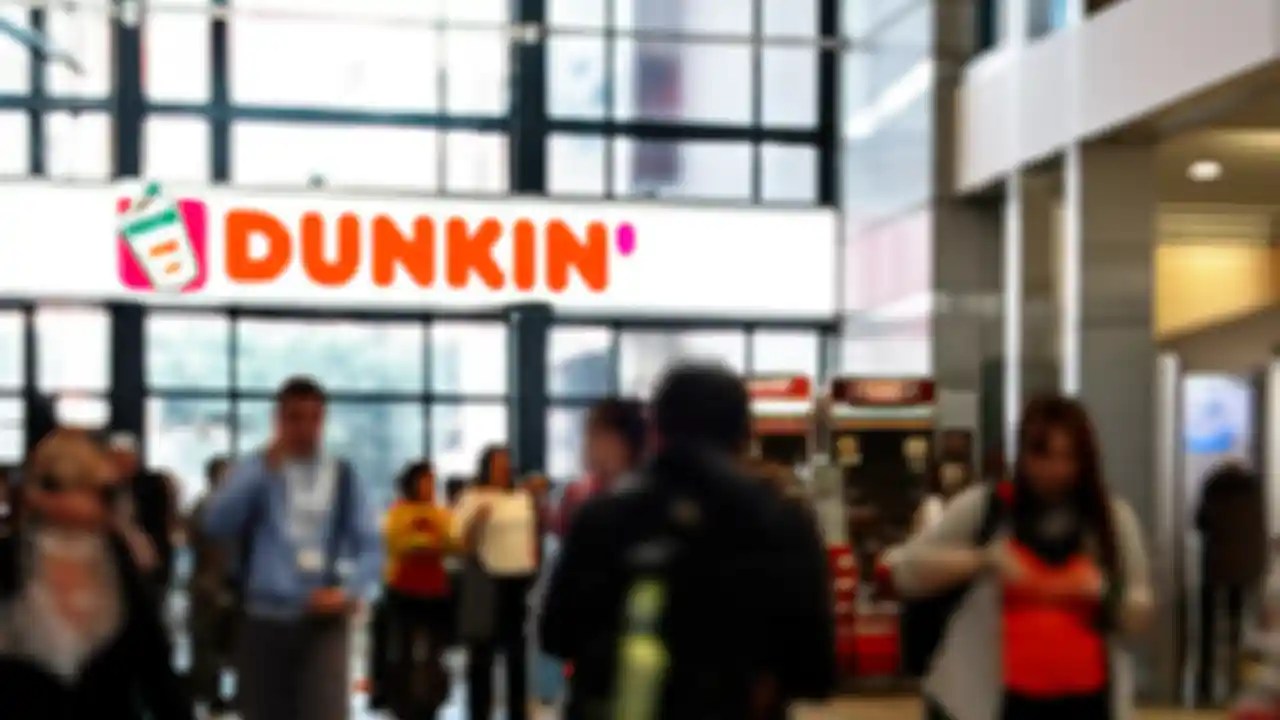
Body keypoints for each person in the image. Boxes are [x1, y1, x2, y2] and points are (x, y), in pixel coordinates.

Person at [539, 364, 836, 720]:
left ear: (656, 430)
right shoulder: (781, 521)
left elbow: (555, 634)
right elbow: (815, 671)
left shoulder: (602, 517)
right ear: (744, 433)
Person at [889, 395, 1153, 720]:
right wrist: (982, 560)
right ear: (1023, 454)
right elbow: (904, 569)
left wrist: (1103, 593)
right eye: (1042, 455)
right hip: (990, 701)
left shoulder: (1111, 519)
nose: (1055, 469)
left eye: (1068, 457)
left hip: (1087, 702)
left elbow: (1139, 609)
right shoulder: (985, 508)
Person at [203, 376, 381, 720]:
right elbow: (217, 523)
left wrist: (350, 591)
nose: (305, 429)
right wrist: (259, 471)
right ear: (278, 420)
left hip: (323, 619)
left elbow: (370, 545)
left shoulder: (342, 476)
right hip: (263, 616)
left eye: (314, 419)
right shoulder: (255, 470)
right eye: (295, 418)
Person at [0, 428, 192, 719]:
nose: (97, 502)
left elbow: (154, 663)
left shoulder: (118, 561)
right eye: (87, 489)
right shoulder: (9, 559)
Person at [453, 446, 542, 720]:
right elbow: (460, 544)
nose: (504, 468)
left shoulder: (520, 497)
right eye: (498, 463)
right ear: (486, 467)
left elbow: (531, 532)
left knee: (516, 655)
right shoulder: (472, 497)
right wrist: (478, 522)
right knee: (482, 654)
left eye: (507, 463)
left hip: (518, 580)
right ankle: (479, 712)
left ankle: (517, 711)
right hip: (486, 579)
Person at [381, 460, 456, 718]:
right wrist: (426, 542)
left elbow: (452, 541)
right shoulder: (398, 512)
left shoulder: (440, 512)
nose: (430, 487)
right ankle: (402, 703)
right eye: (425, 481)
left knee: (435, 651)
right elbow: (398, 542)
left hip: (435, 589)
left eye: (432, 482)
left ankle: (431, 701)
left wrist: (426, 542)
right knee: (403, 649)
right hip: (404, 588)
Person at [1196, 460, 1268, 704]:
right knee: (1238, 630)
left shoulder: (1214, 489)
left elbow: (1199, 521)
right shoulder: (1252, 493)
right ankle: (1235, 683)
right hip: (1245, 573)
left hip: (1214, 569)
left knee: (1208, 632)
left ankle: (1204, 686)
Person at [554, 399, 647, 536]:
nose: (588, 446)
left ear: (626, 446)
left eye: (598, 437)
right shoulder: (576, 495)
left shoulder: (644, 500)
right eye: (588, 436)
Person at [187, 455, 235, 716]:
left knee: (214, 643)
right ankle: (211, 694)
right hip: (212, 584)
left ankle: (213, 693)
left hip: (213, 583)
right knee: (210, 643)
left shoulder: (204, 506)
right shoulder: (212, 508)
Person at [107, 431, 177, 596]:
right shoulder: (105, 487)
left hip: (148, 552)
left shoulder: (152, 485)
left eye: (125, 458)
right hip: (115, 558)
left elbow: (162, 520)